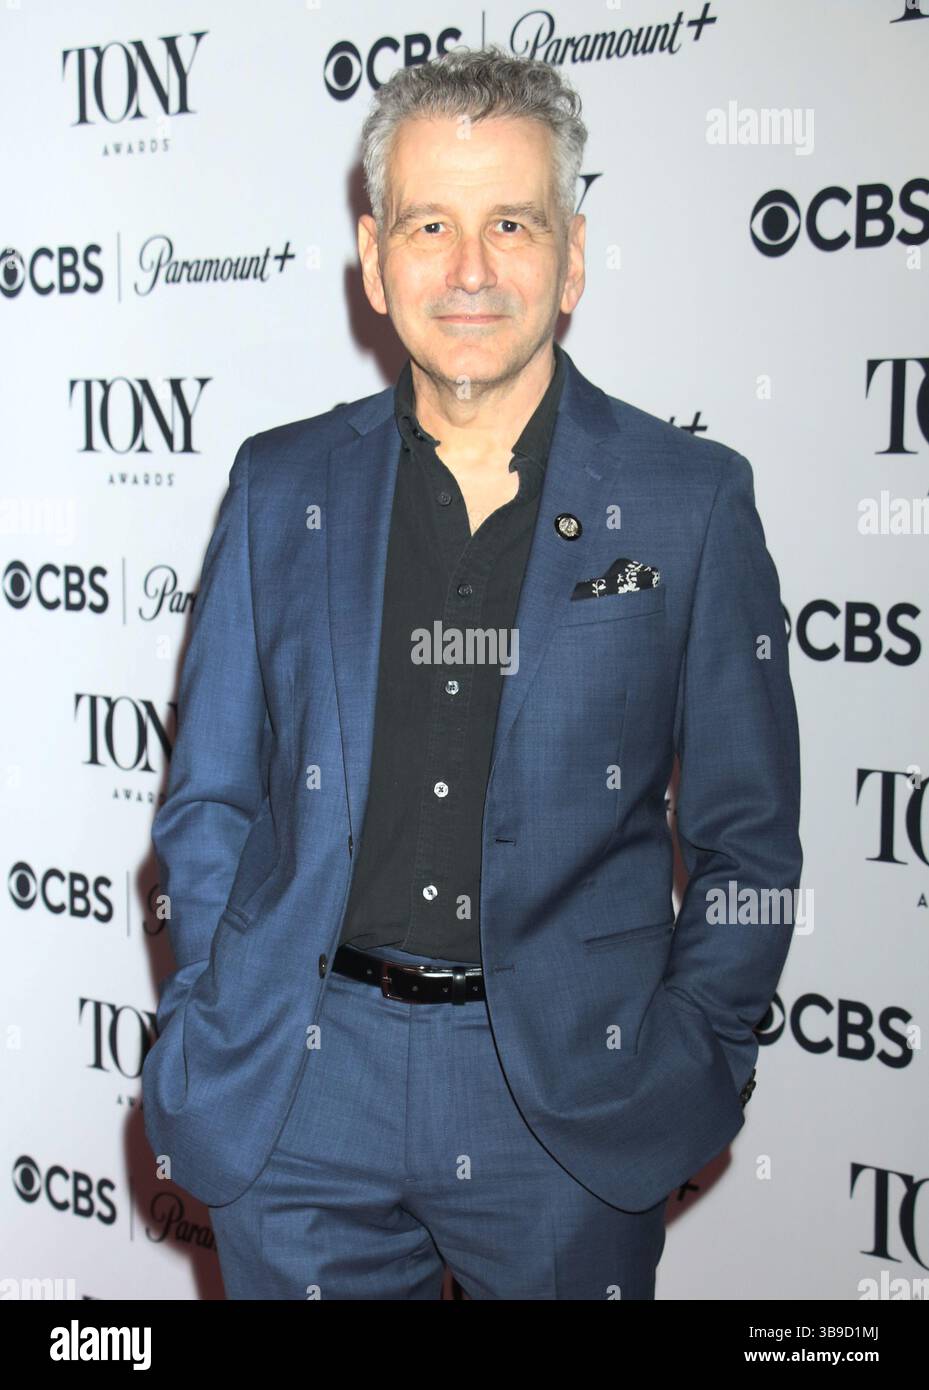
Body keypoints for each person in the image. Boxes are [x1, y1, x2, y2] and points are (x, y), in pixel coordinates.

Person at [142, 44, 802, 1300]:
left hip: (565, 1101)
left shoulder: (689, 503)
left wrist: (687, 1057)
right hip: (300, 1086)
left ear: (574, 252)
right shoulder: (279, 485)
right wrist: (222, 1008)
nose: (468, 269)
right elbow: (211, 797)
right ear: (372, 254)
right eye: (429, 223)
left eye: (511, 222)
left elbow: (747, 843)